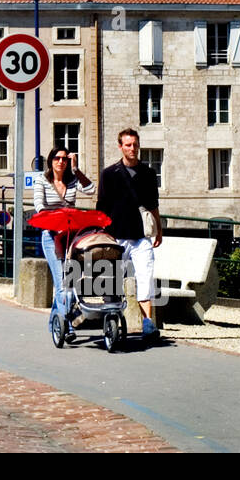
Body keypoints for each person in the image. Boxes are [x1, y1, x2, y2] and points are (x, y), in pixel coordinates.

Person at [96, 128, 164, 341]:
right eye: (127, 145)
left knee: (145, 277)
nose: (132, 148)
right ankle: (112, 317)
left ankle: (147, 324)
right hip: (116, 236)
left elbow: (153, 206)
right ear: (120, 147)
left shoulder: (148, 173)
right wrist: (101, 233)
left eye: (135, 144)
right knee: (113, 277)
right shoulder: (109, 174)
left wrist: (159, 230)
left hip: (141, 236)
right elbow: (102, 207)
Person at [36, 147, 95, 319]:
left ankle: (56, 323)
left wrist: (76, 170)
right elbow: (39, 206)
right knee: (62, 283)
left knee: (70, 282)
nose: (61, 162)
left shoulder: (72, 181)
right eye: (57, 158)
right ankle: (67, 325)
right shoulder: (42, 181)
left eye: (64, 159)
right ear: (50, 161)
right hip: (51, 235)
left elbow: (91, 189)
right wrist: (55, 222)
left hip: (71, 236)